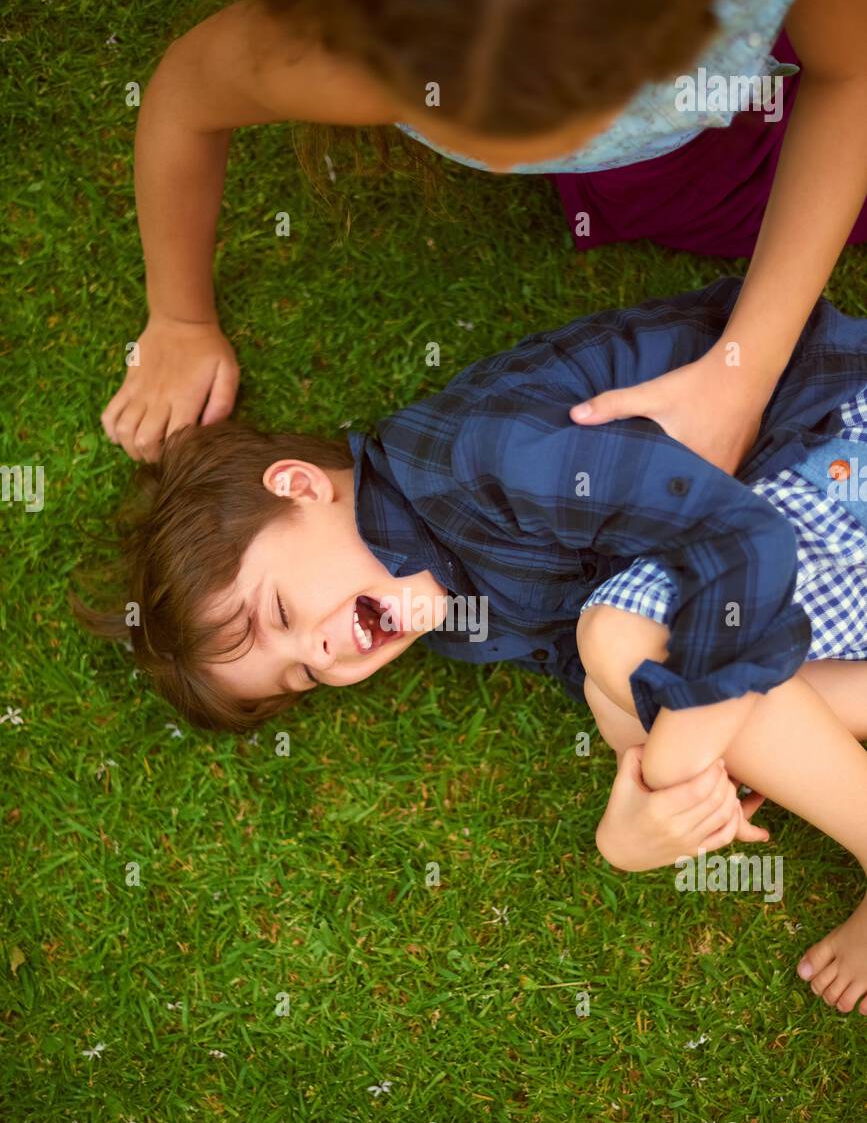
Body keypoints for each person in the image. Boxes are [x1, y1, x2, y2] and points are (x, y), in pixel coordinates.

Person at [77, 278, 867, 1010]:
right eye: (300, 675)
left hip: (829, 446)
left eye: (281, 614)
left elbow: (739, 543)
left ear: (299, 486)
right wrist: (646, 801)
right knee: (626, 681)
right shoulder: (455, 619)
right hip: (814, 551)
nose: (321, 654)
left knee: (622, 640)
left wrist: (668, 769)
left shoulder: (484, 460)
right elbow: (613, 682)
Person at [100, 0, 867, 476]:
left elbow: (850, 76)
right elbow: (183, 102)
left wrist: (747, 369)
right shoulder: (339, 58)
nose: (565, 143)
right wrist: (178, 315)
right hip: (667, 164)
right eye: (502, 140)